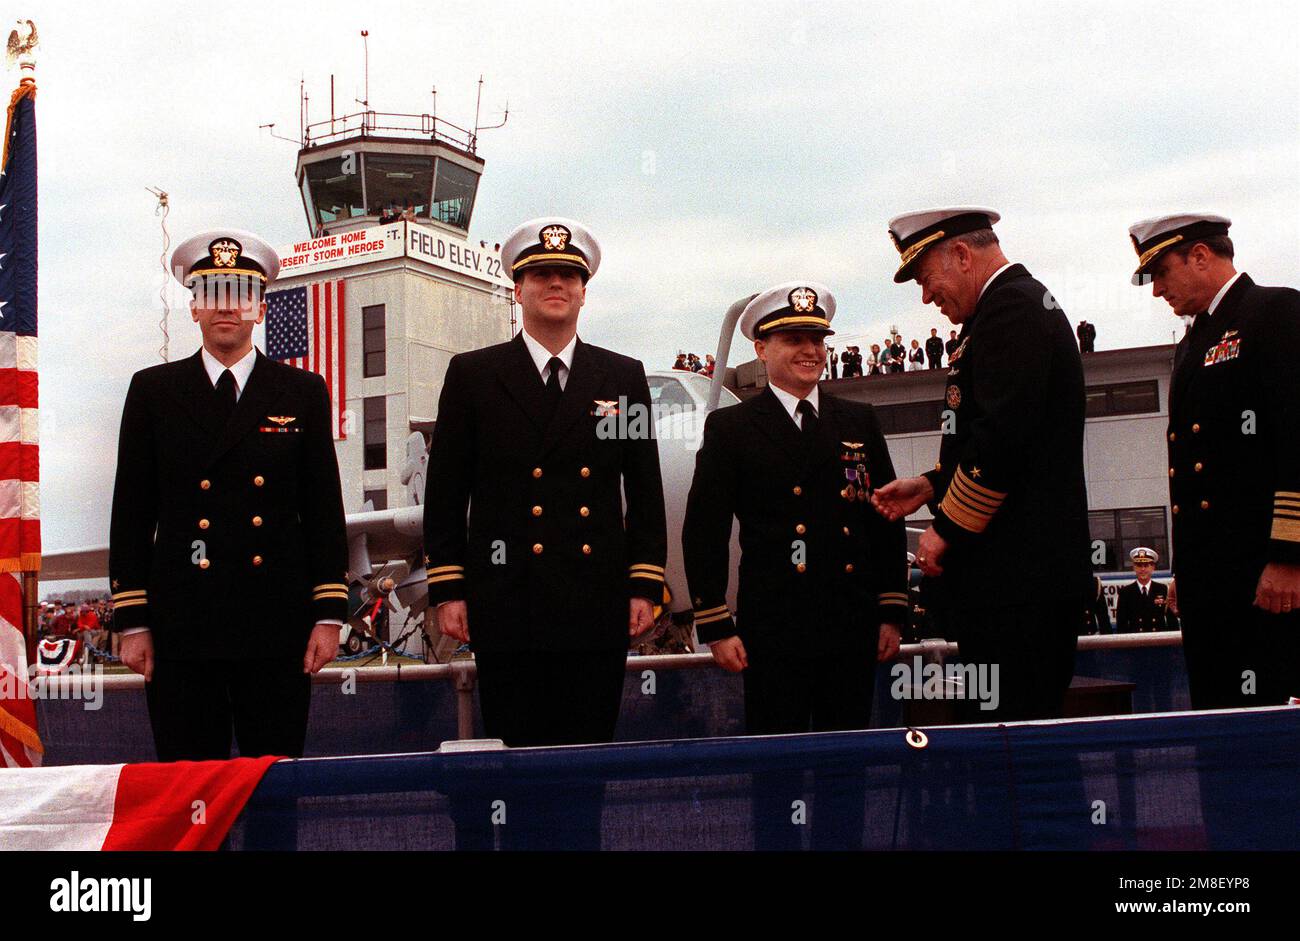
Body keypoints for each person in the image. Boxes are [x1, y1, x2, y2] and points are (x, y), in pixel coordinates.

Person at [423, 217, 667, 748]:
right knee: (516, 759)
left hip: (596, 604)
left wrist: (645, 584)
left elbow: (644, 491)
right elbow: (445, 493)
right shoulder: (473, 376)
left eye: (568, 277)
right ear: (518, 289)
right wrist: (449, 589)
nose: (556, 285)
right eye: (541, 276)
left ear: (584, 293)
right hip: (508, 603)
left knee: (588, 759)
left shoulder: (622, 376)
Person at [109, 228, 349, 761]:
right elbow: (131, 513)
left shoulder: (301, 393)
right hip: (181, 631)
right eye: (212, 293)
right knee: (190, 789)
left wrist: (328, 615)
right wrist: (133, 620)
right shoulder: (153, 392)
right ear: (194, 308)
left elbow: (323, 512)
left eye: (240, 294)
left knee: (274, 785)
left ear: (260, 308)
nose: (226, 308)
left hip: (277, 627)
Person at [682, 280, 906, 849]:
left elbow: (886, 516)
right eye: (792, 339)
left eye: (816, 338)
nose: (809, 350)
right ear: (761, 348)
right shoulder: (733, 427)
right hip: (772, 631)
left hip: (850, 627)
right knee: (776, 775)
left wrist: (891, 609)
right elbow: (704, 528)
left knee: (844, 774)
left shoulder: (858, 420)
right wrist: (715, 621)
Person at [872, 207, 1091, 721]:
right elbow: (1001, 438)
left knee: (1021, 746)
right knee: (1011, 746)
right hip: (1012, 582)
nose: (927, 297)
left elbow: (1003, 439)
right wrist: (930, 485)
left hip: (1019, 585)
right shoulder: (1002, 311)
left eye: (927, 279)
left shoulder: (1011, 309)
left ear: (963, 255)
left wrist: (946, 527)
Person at [1128, 212, 1300, 708]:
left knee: (1268, 735)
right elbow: (1191, 475)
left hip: (1267, 578)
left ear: (1200, 256)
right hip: (1213, 585)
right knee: (1217, 722)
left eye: (1161, 272)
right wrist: (1189, 569)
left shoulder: (1275, 312)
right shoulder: (1191, 345)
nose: (1157, 289)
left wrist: (1288, 556)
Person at [1115, 547, 1175, 633]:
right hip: (1135, 642)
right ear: (1134, 567)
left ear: (1153, 567)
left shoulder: (1162, 589)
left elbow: (1171, 620)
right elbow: (1121, 625)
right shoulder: (1126, 592)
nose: (1142, 569)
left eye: (1146, 565)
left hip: (1159, 641)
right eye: (1139, 565)